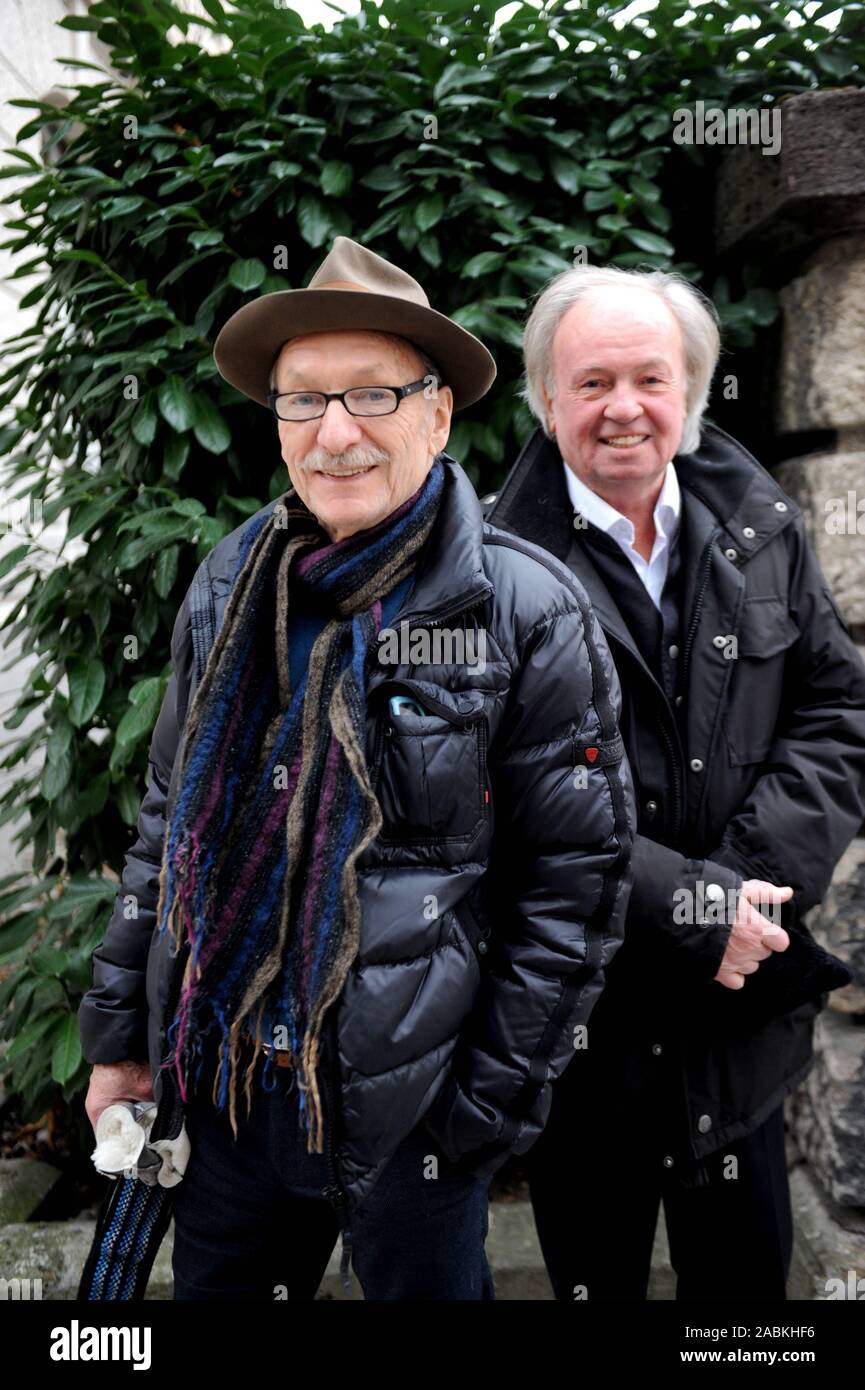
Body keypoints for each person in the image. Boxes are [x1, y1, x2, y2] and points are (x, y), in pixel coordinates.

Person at [78, 237, 635, 1301]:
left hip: (413, 1116)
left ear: (437, 413)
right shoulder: (228, 584)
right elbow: (166, 824)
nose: (335, 432)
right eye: (303, 400)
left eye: (373, 394)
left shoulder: (523, 608)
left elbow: (575, 883)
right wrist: (124, 1039)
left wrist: (483, 1112)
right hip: (228, 1090)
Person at [483, 263, 865, 1302]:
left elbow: (839, 714)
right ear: (545, 398)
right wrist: (696, 910)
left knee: (743, 1311)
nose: (622, 409)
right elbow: (499, 792)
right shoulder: (485, 567)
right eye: (591, 381)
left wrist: (737, 893)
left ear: (690, 393)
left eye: (649, 379)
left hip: (733, 1045)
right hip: (582, 1043)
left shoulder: (760, 525)